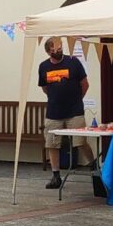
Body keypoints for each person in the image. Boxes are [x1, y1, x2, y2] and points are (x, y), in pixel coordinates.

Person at [38, 38, 91, 189]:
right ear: (48, 52)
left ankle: (94, 167)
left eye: (60, 48)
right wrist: (55, 97)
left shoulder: (73, 62)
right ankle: (56, 176)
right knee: (52, 144)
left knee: (81, 141)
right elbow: (45, 88)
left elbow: (85, 84)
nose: (58, 51)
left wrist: (77, 99)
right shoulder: (43, 66)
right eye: (54, 50)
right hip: (53, 112)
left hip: (75, 111)